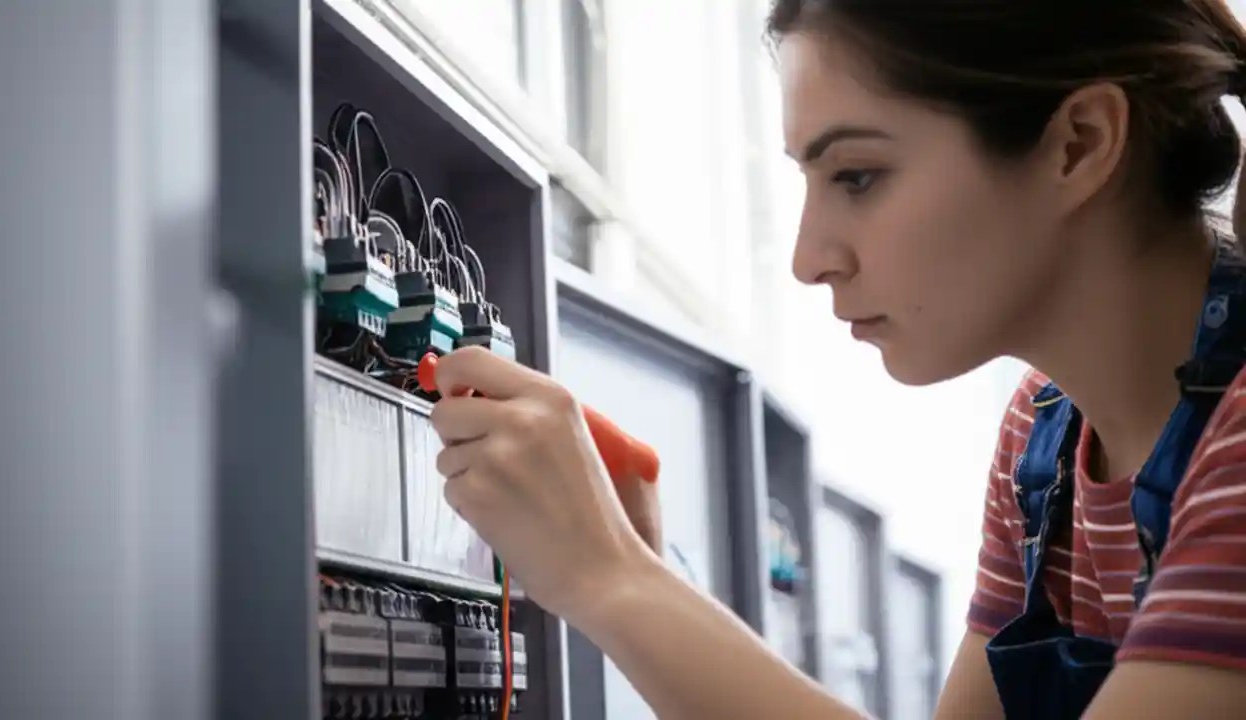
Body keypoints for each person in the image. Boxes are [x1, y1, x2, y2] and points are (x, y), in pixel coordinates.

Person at [427, 1, 1246, 717]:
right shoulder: (1048, 439)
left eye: (857, 176)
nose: (808, 258)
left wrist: (608, 579)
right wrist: (626, 571)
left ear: (1079, 143)